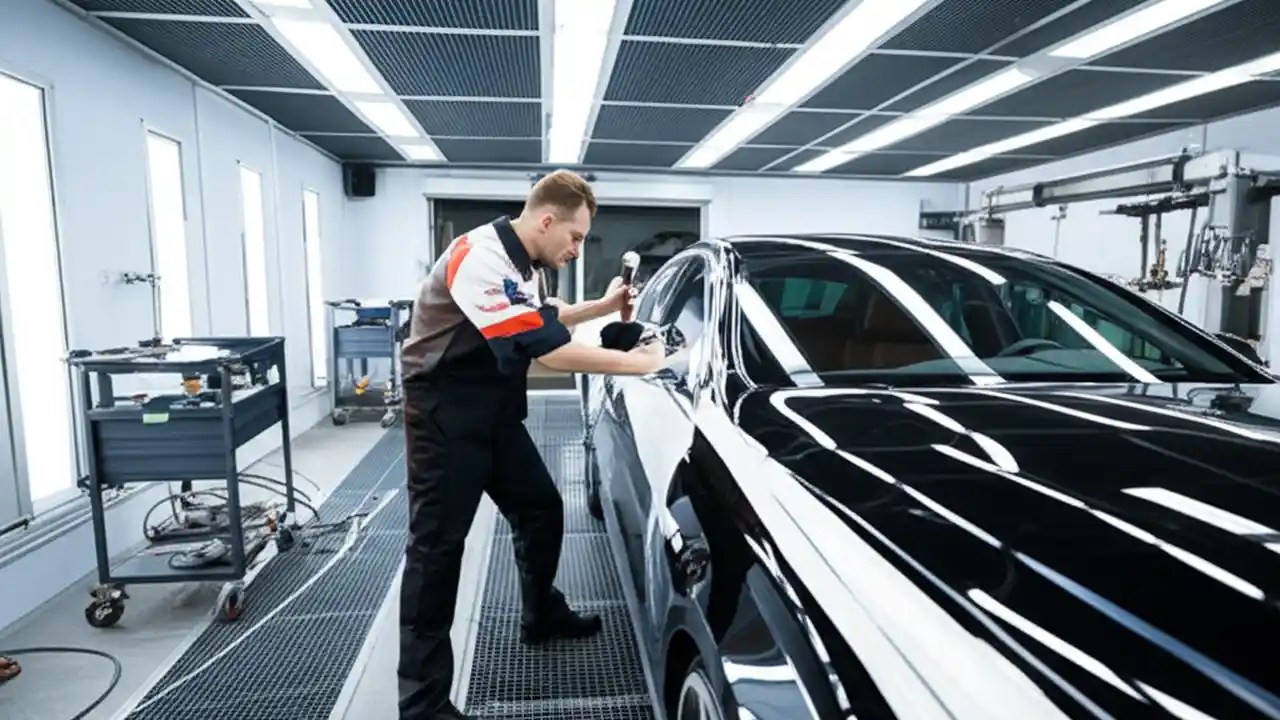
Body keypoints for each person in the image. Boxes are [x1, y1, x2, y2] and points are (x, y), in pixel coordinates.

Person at [396, 169, 670, 720]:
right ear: (547, 220)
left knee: (541, 508)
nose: (577, 248)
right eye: (575, 237)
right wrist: (638, 365)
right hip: (444, 413)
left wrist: (601, 304)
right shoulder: (477, 256)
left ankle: (541, 614)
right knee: (437, 548)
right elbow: (549, 354)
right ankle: (421, 705)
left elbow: (544, 319)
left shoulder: (526, 262)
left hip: (492, 409)